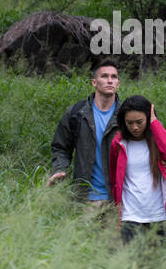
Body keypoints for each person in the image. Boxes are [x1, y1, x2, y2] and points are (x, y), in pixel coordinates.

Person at [47, 59, 121, 214]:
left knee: (117, 239)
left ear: (118, 83)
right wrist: (60, 169)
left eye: (114, 77)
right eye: (104, 76)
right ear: (94, 82)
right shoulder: (77, 114)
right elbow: (60, 147)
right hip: (85, 199)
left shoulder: (127, 115)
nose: (109, 81)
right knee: (82, 238)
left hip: (120, 199)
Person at [107, 95, 166, 245]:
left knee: (161, 265)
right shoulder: (119, 143)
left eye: (139, 122)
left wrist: (155, 124)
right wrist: (118, 209)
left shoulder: (159, 139)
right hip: (131, 216)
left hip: (160, 214)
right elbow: (115, 178)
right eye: (130, 123)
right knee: (134, 265)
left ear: (148, 119)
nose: (135, 127)